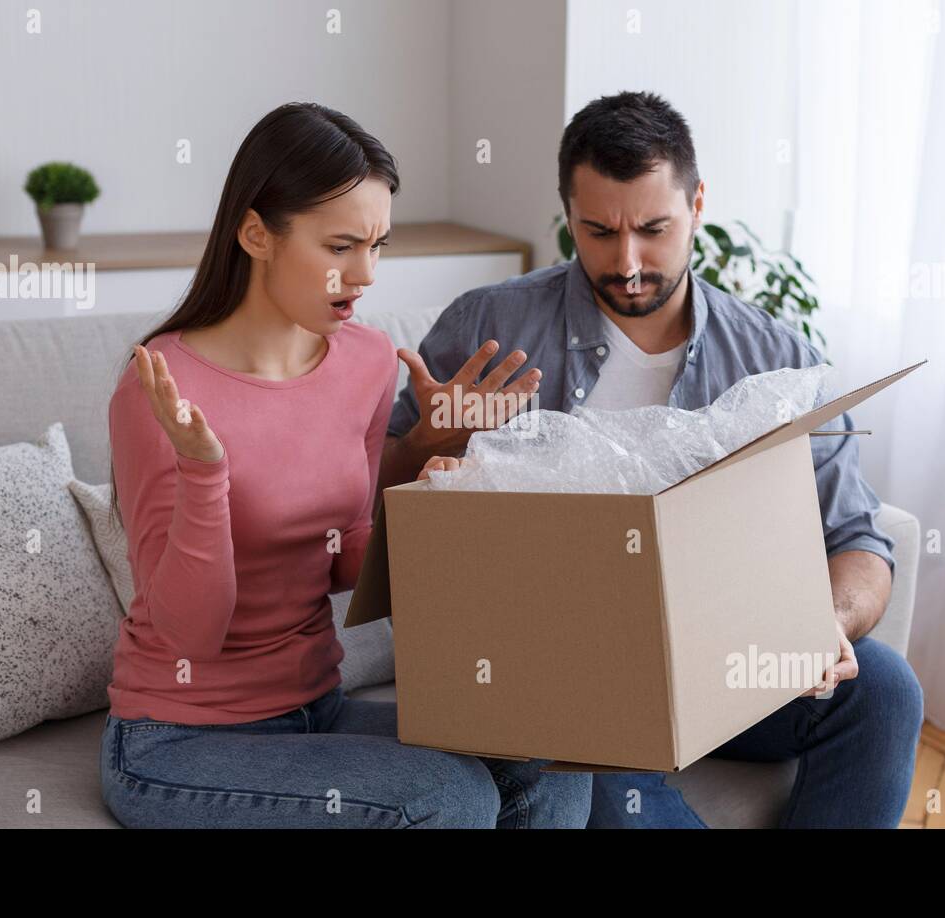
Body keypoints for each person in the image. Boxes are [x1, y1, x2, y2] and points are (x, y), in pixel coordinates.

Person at [381, 91, 924, 829]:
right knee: (571, 735)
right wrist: (427, 446)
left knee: (885, 688)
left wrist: (824, 621)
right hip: (554, 669)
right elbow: (380, 509)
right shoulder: (489, 325)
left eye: (654, 229)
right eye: (599, 232)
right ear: (567, 215)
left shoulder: (773, 357)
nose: (628, 263)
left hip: (721, 661)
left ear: (696, 205)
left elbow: (858, 538)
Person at [99, 102, 591, 829]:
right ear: (256, 234)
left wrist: (434, 466)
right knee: (449, 799)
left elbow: (343, 557)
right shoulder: (162, 389)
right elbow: (189, 634)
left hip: (315, 708)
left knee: (549, 754)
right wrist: (205, 472)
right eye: (340, 246)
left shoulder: (364, 360)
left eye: (377, 245)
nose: (364, 275)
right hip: (178, 738)